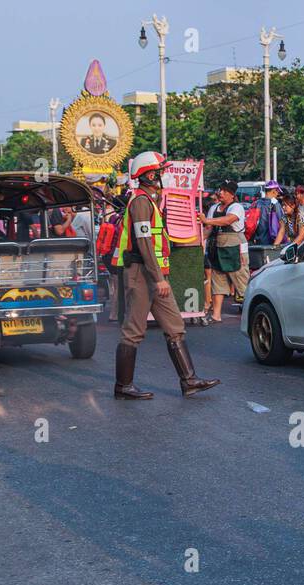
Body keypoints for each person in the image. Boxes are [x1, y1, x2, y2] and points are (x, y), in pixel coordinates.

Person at [112, 151, 219, 401]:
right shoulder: (139, 201)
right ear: (148, 174)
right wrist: (158, 278)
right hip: (142, 273)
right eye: (158, 172)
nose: (161, 176)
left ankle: (189, 380)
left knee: (175, 326)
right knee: (134, 330)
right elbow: (144, 242)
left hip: (155, 273)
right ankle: (123, 386)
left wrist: (160, 276)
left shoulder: (150, 200)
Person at [200, 181, 250, 323]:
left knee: (242, 283)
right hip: (217, 249)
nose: (220, 193)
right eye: (220, 190)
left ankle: (252, 313)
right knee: (218, 282)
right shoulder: (214, 207)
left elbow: (228, 220)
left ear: (232, 195)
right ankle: (216, 315)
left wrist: (207, 220)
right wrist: (197, 240)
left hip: (235, 250)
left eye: (224, 191)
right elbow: (209, 228)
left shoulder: (237, 207)